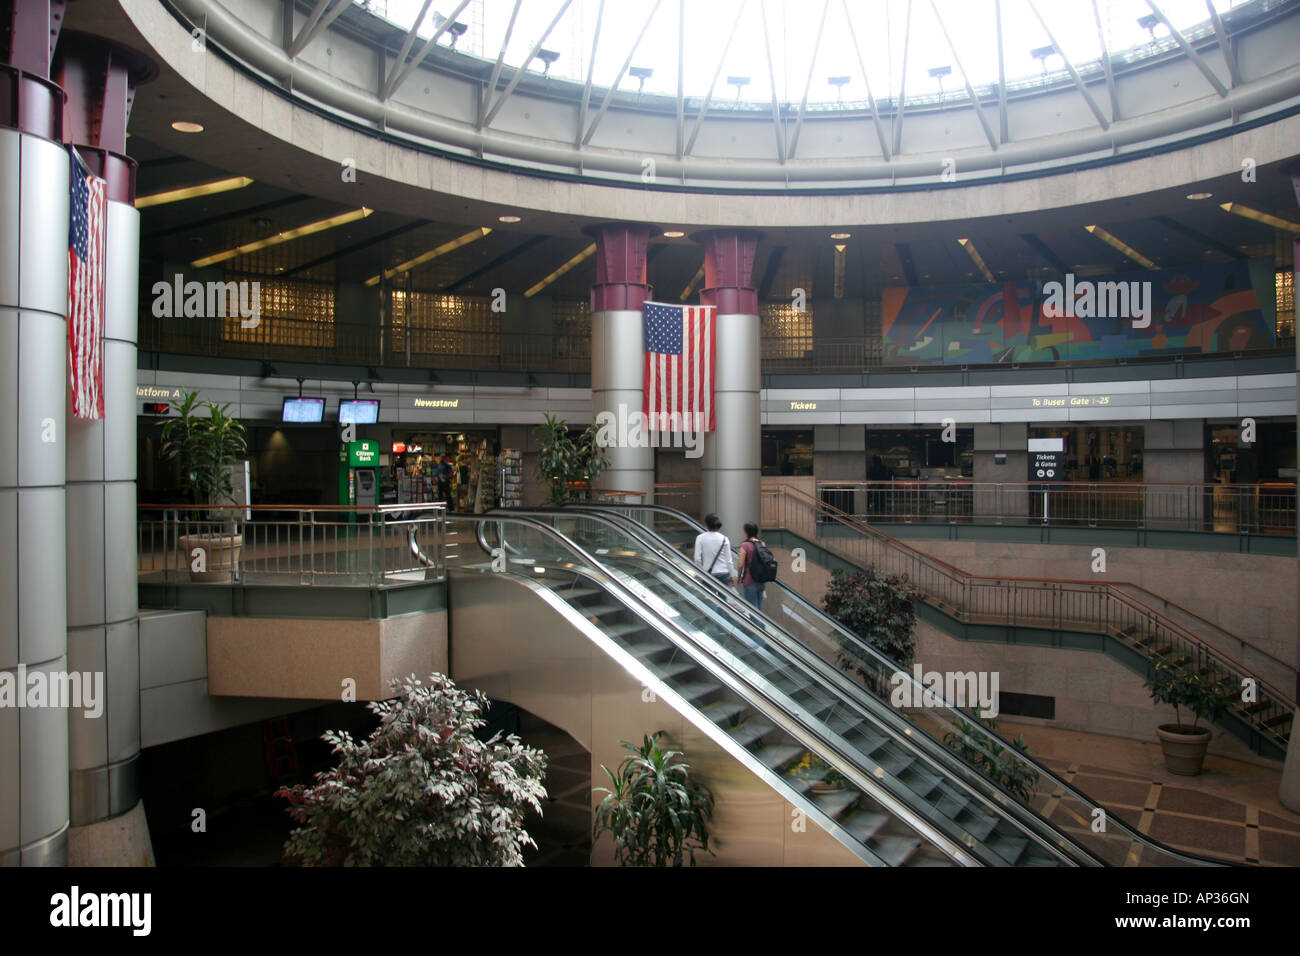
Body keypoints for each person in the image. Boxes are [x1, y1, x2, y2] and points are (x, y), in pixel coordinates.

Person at [693, 513, 735, 588]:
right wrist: (732, 575)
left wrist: (701, 573)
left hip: (708, 573)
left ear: (706, 524)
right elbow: (729, 560)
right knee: (723, 598)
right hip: (724, 573)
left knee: (710, 598)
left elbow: (697, 559)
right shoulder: (724, 539)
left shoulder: (700, 538)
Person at [737, 522, 768, 611]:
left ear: (746, 532)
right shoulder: (762, 544)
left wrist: (739, 577)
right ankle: (762, 625)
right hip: (761, 580)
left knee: (752, 610)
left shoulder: (745, 545)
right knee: (760, 606)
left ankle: (755, 625)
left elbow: (740, 565)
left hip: (750, 580)